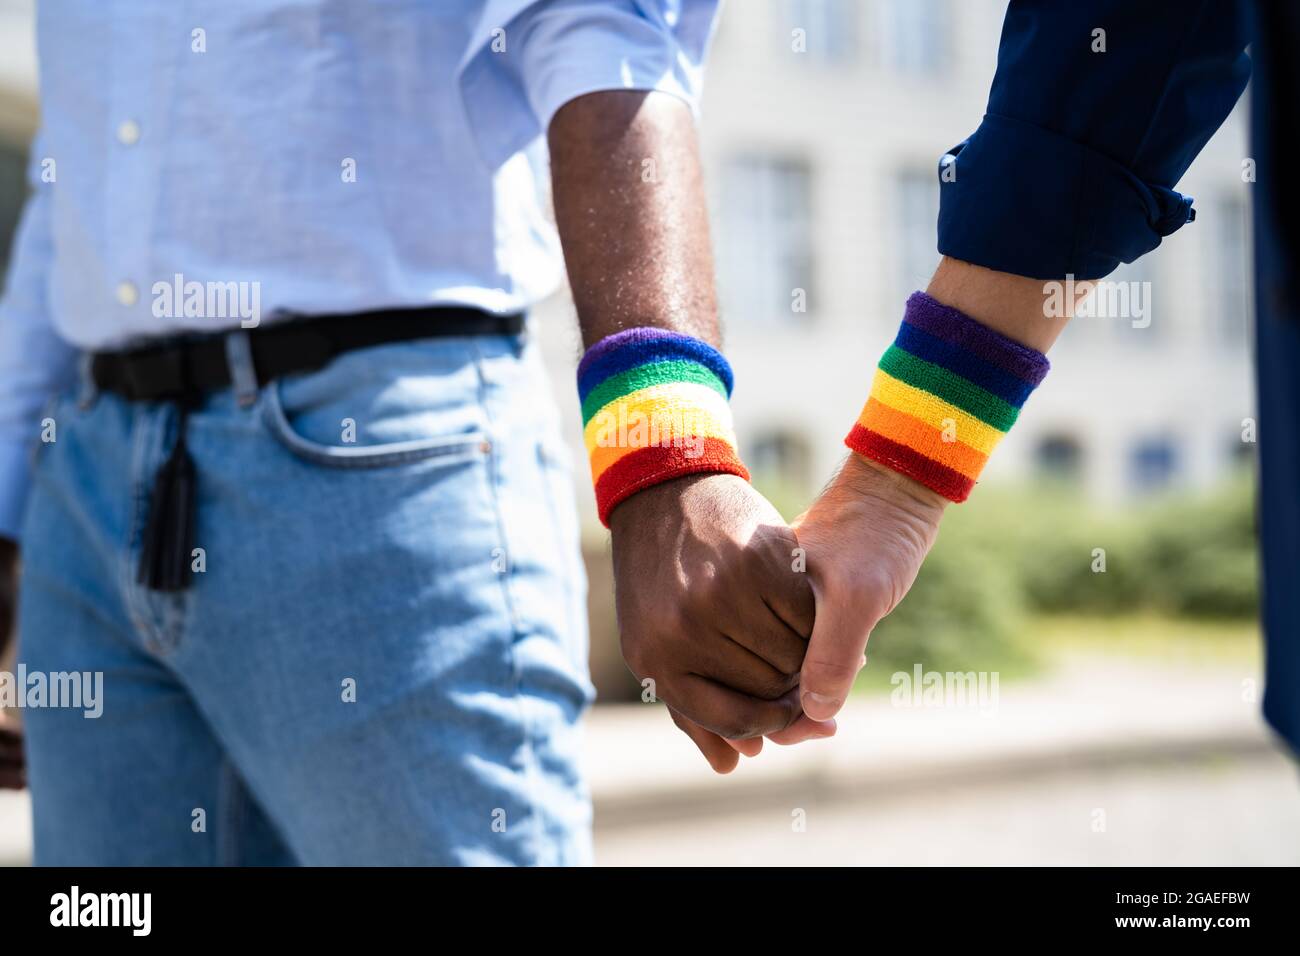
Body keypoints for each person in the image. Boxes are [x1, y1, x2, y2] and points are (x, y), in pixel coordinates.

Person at [0, 0, 836, 866]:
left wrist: (665, 452)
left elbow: (596, 19)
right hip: (89, 481)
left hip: (378, 466)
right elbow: (70, 177)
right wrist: (6, 511)